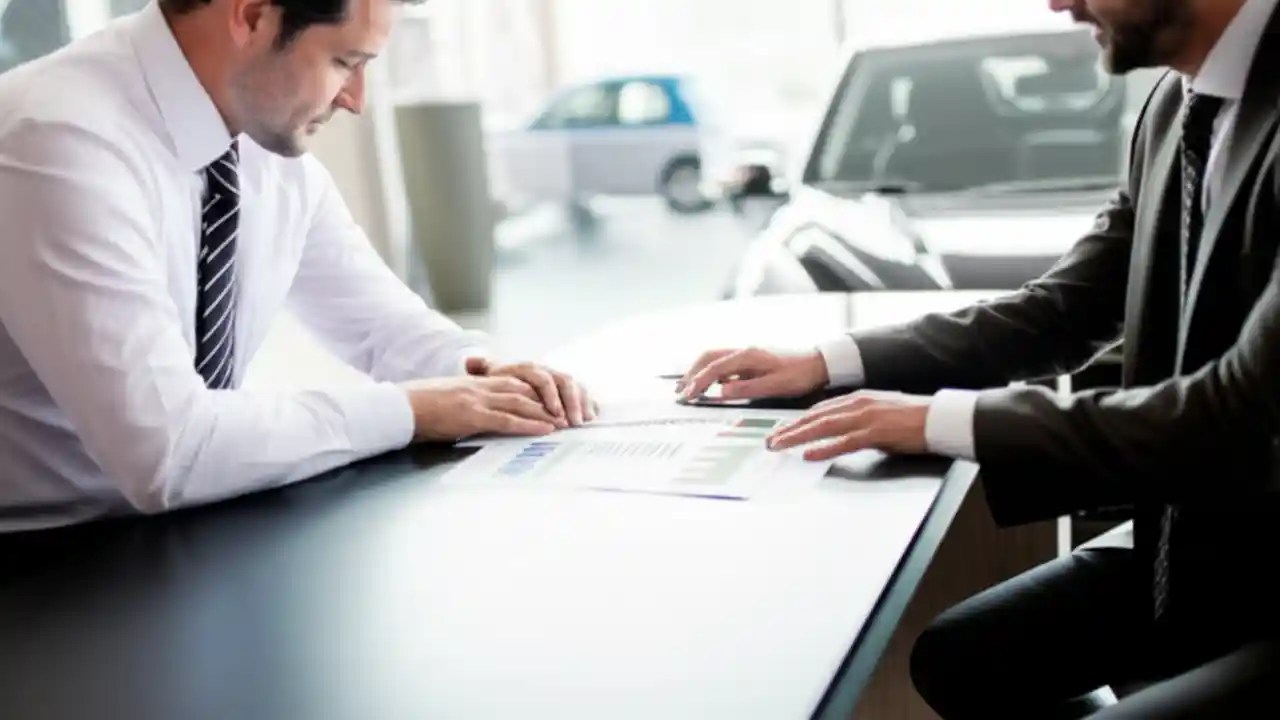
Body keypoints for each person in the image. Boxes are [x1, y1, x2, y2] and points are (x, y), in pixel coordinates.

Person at [679, 0, 1280, 715]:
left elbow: (1231, 415)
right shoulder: (1176, 107)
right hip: (1195, 543)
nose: (1059, 1)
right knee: (958, 659)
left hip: (1271, 572)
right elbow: (1063, 309)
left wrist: (942, 421)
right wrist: (831, 361)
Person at [0, 0, 596, 533]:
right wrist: (414, 409)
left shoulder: (261, 141)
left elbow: (382, 327)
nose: (357, 100)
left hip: (184, 535)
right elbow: (168, 449)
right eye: (345, 61)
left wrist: (481, 372)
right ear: (253, 15)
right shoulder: (56, 138)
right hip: (45, 570)